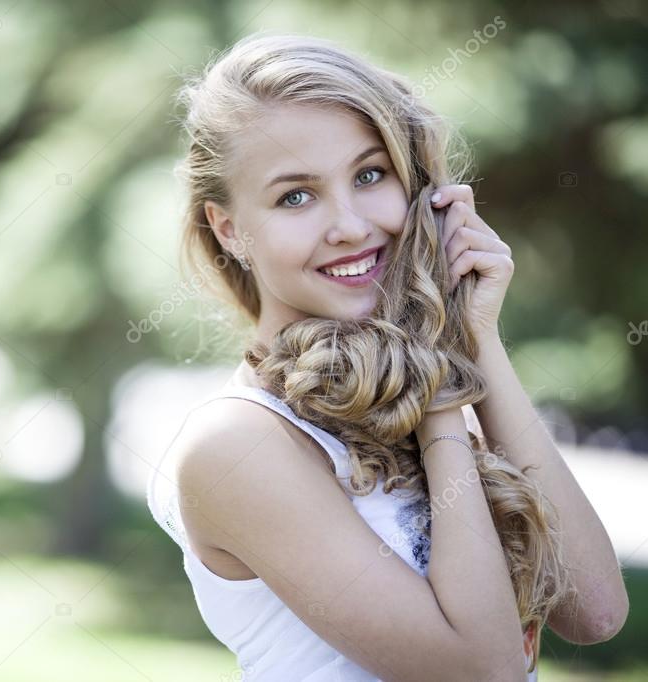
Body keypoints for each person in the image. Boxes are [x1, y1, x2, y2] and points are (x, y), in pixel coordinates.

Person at [146, 31, 627, 681]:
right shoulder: (238, 444)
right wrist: (434, 387)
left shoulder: (422, 388)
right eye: (295, 195)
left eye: (370, 175)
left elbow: (594, 611)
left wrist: (470, 337)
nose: (348, 223)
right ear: (228, 228)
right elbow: (479, 670)